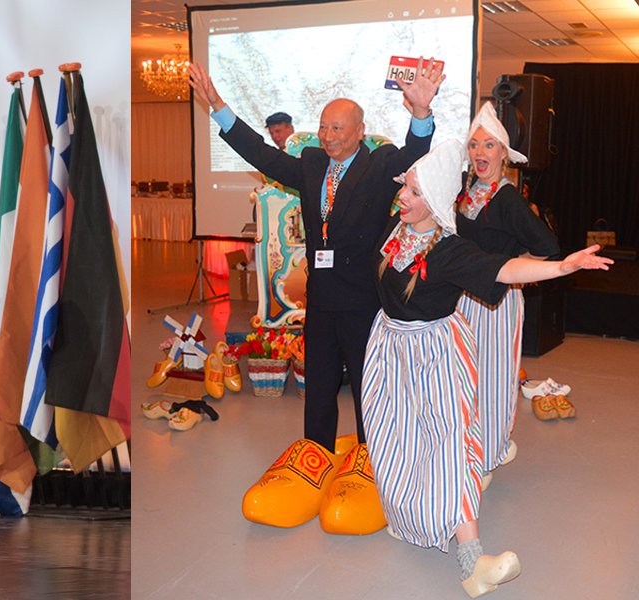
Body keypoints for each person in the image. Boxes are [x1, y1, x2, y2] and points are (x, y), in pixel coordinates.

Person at [187, 61, 441, 532]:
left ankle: (371, 464)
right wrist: (218, 105)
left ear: (359, 131)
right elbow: (261, 153)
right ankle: (317, 462)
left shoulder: (380, 164)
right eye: (323, 127)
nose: (327, 136)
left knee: (367, 388)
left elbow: (416, 153)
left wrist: (421, 112)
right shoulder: (310, 163)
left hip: (363, 300)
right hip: (320, 297)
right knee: (319, 385)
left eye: (337, 128)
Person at [363, 140, 609, 597]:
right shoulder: (394, 232)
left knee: (453, 445)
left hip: (436, 355)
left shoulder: (449, 250)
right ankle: (407, 518)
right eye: (405, 188)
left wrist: (562, 267)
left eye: (414, 192)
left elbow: (505, 270)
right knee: (394, 438)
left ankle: (472, 561)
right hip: (389, 349)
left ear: (434, 200)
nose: (403, 197)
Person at [457, 102, 561, 481]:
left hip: (497, 304)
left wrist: (513, 270)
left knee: (495, 379)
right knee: (466, 377)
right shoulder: (468, 192)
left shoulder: (508, 199)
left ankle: (489, 455)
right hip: (464, 300)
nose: (480, 152)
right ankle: (472, 447)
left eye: (489, 145)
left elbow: (548, 246)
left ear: (504, 153)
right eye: (474, 145)